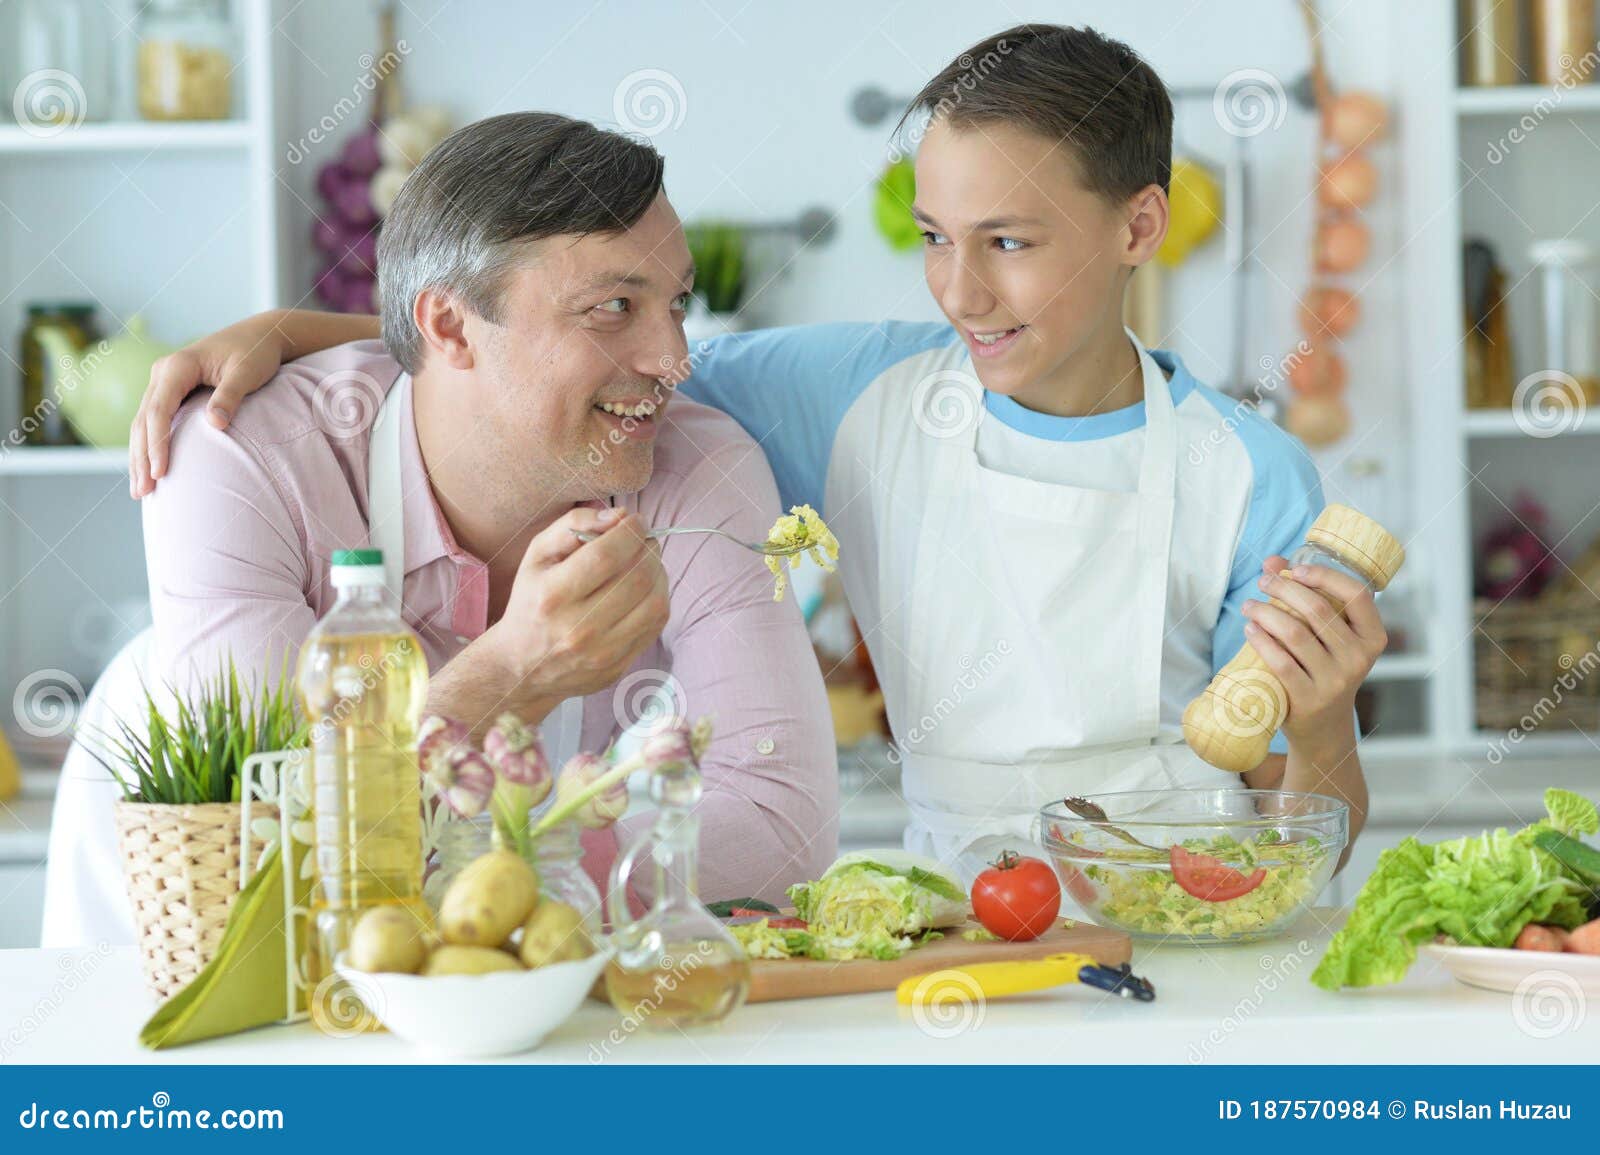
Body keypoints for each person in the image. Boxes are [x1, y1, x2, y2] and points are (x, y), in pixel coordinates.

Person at [125, 25, 1387, 884]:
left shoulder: (1251, 477)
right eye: (937, 237)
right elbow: (552, 364)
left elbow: (1306, 828)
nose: (961, 289)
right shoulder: (856, 393)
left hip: (1197, 917)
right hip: (961, 922)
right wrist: (305, 334)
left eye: (1008, 241)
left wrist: (1323, 727)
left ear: (1139, 226)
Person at [41, 112, 839, 947]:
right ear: (450, 327)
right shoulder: (241, 457)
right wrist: (514, 671)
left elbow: (781, 832)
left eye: (676, 301)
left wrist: (513, 884)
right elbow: (273, 860)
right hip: (171, 917)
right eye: (613, 307)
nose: (672, 357)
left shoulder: (693, 467)